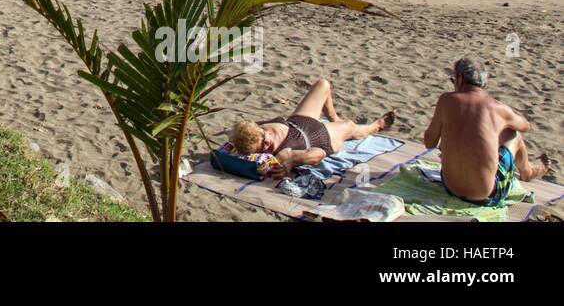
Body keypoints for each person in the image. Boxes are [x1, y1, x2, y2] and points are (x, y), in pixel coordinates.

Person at [422, 57, 553, 206]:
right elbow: (525, 126)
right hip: (487, 195)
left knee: (467, 134)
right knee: (512, 134)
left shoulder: (445, 100)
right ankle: (527, 171)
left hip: (450, 187)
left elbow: (429, 142)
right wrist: (507, 113)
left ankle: (525, 170)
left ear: (460, 79)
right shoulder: (496, 108)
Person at [229, 78, 396, 178]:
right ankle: (376, 126)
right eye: (264, 146)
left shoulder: (258, 129)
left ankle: (333, 118)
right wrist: (291, 162)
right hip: (321, 136)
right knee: (349, 126)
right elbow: (319, 154)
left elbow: (240, 136)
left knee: (322, 84)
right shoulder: (283, 154)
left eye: (264, 136)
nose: (268, 140)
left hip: (299, 121)